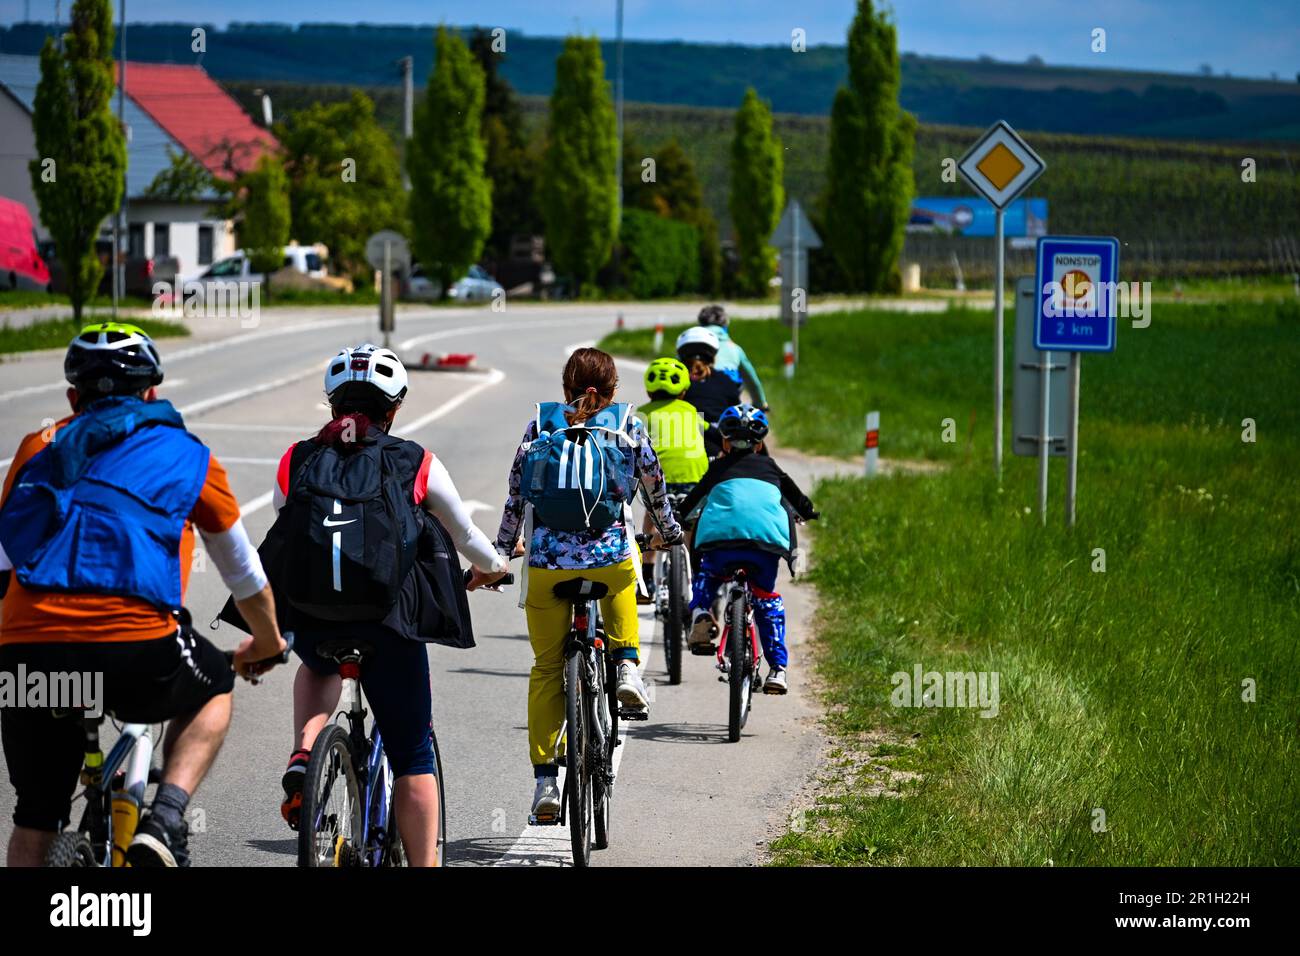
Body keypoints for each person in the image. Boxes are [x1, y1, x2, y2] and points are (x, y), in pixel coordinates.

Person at [0, 322, 286, 867]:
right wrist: (266, 644)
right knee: (213, 686)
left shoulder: (38, 446)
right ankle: (165, 820)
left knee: (35, 816)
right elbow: (244, 576)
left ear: (71, 397)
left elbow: (2, 560)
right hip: (133, 644)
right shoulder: (187, 454)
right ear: (152, 393)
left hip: (30, 653)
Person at [266, 344, 508, 867]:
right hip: (388, 624)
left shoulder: (297, 458)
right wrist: (494, 568)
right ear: (394, 408)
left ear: (333, 404)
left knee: (315, 658)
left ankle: (306, 751)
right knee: (413, 755)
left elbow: (288, 524)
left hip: (314, 614)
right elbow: (465, 534)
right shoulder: (415, 460)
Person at [479, 348, 681, 823]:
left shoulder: (540, 426)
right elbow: (654, 487)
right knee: (623, 581)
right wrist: (668, 534)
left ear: (565, 388)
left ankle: (546, 784)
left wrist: (501, 552)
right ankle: (628, 667)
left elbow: (516, 496)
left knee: (547, 669)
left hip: (549, 565)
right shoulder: (627, 425)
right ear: (614, 390)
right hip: (608, 558)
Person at [675, 404, 818, 694]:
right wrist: (809, 512)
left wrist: (680, 516)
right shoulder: (771, 467)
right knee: (766, 599)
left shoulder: (717, 469)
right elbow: (800, 502)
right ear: (760, 442)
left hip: (720, 542)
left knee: (709, 576)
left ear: (725, 441)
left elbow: (690, 505)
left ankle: (702, 611)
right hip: (764, 547)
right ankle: (777, 669)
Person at [635, 357, 709, 598]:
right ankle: (696, 573)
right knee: (692, 521)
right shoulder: (691, 411)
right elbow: (708, 433)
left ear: (648, 390)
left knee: (651, 511)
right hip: (694, 477)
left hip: (659, 480)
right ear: (684, 391)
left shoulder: (642, 414)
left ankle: (646, 576)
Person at [676, 326, 741, 457]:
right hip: (721, 446)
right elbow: (737, 413)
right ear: (713, 357)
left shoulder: (675, 382)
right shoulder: (726, 381)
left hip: (687, 448)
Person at [698, 304, 769, 410]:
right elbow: (752, 381)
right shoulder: (735, 348)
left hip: (698, 400)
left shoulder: (689, 346)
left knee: (698, 424)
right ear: (725, 326)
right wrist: (760, 403)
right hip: (727, 398)